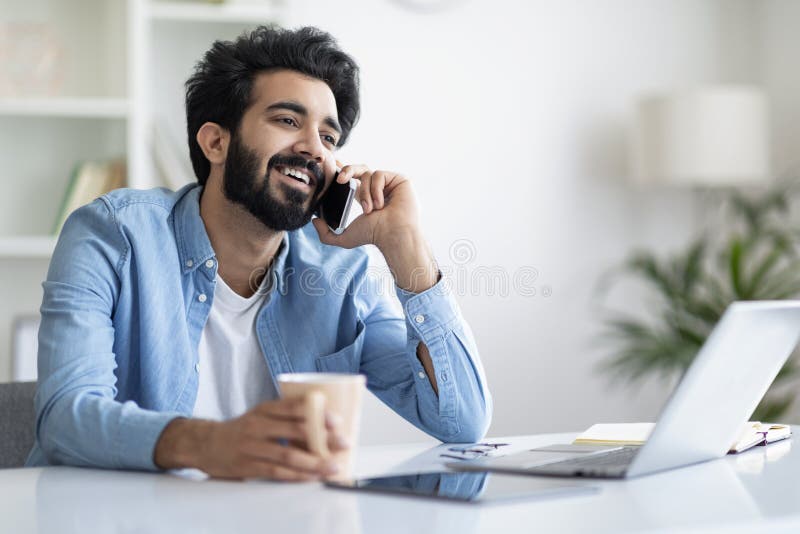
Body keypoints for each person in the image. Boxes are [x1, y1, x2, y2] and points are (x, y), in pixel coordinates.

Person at [26, 25, 491, 481]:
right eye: (288, 121)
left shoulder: (338, 273)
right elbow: (67, 418)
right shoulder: (113, 234)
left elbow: (461, 422)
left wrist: (403, 244)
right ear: (216, 142)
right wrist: (212, 444)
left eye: (329, 138)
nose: (314, 148)